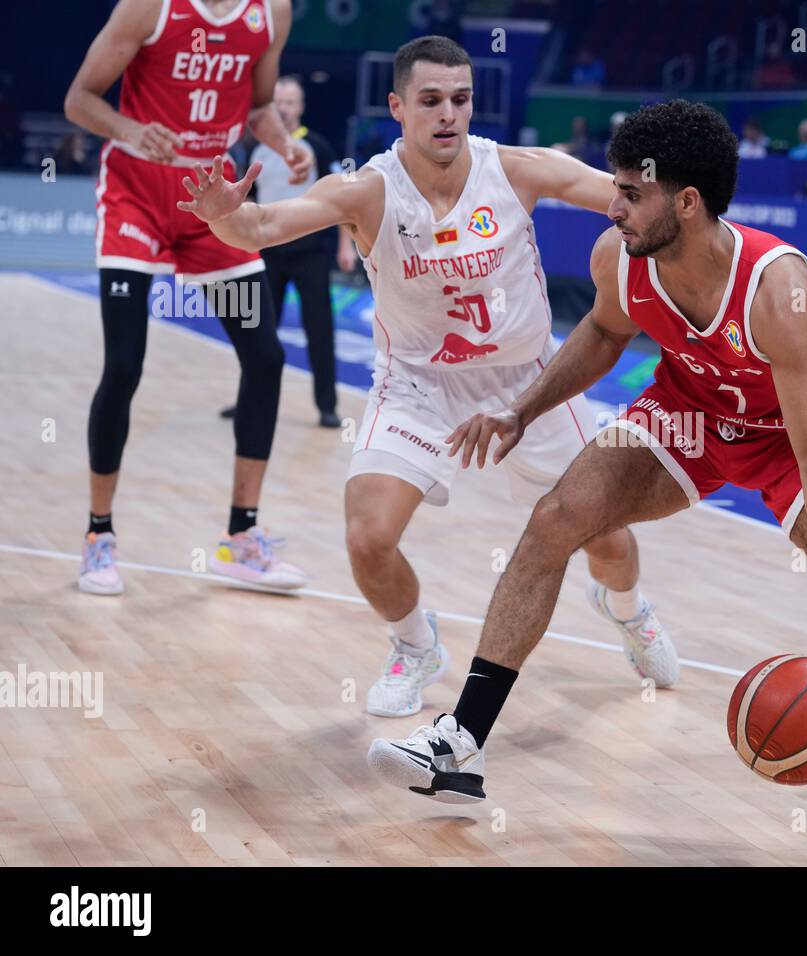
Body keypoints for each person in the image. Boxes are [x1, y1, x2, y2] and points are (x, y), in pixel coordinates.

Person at [368, 99, 807, 845]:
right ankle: (459, 741)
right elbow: (601, 332)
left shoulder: (774, 288)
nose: (613, 205)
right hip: (686, 415)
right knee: (556, 519)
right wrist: (520, 412)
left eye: (631, 192)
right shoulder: (619, 260)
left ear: (686, 202)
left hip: (786, 440)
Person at [177, 36, 680, 718]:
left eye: (461, 100)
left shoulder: (517, 169)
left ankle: (629, 613)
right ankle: (416, 646)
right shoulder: (368, 190)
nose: (448, 114)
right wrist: (222, 216)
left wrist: (674, 199)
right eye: (431, 100)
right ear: (398, 107)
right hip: (417, 383)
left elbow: (625, 201)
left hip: (528, 385)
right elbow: (262, 224)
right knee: (367, 538)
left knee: (609, 542)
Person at [64, 0, 312, 596]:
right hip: (137, 197)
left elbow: (257, 108)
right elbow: (80, 99)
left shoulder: (271, 12)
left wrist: (283, 144)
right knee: (124, 365)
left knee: (266, 356)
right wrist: (128, 129)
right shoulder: (151, 7)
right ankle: (100, 535)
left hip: (211, 203)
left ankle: (241, 538)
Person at [219, 76, 345, 427]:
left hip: (312, 254)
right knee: (256, 330)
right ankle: (248, 400)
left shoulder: (318, 148)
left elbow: (343, 198)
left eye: (291, 102)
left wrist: (346, 247)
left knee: (320, 330)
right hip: (267, 255)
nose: (285, 108)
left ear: (301, 107)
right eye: (279, 102)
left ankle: (327, 406)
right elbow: (248, 201)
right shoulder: (258, 150)